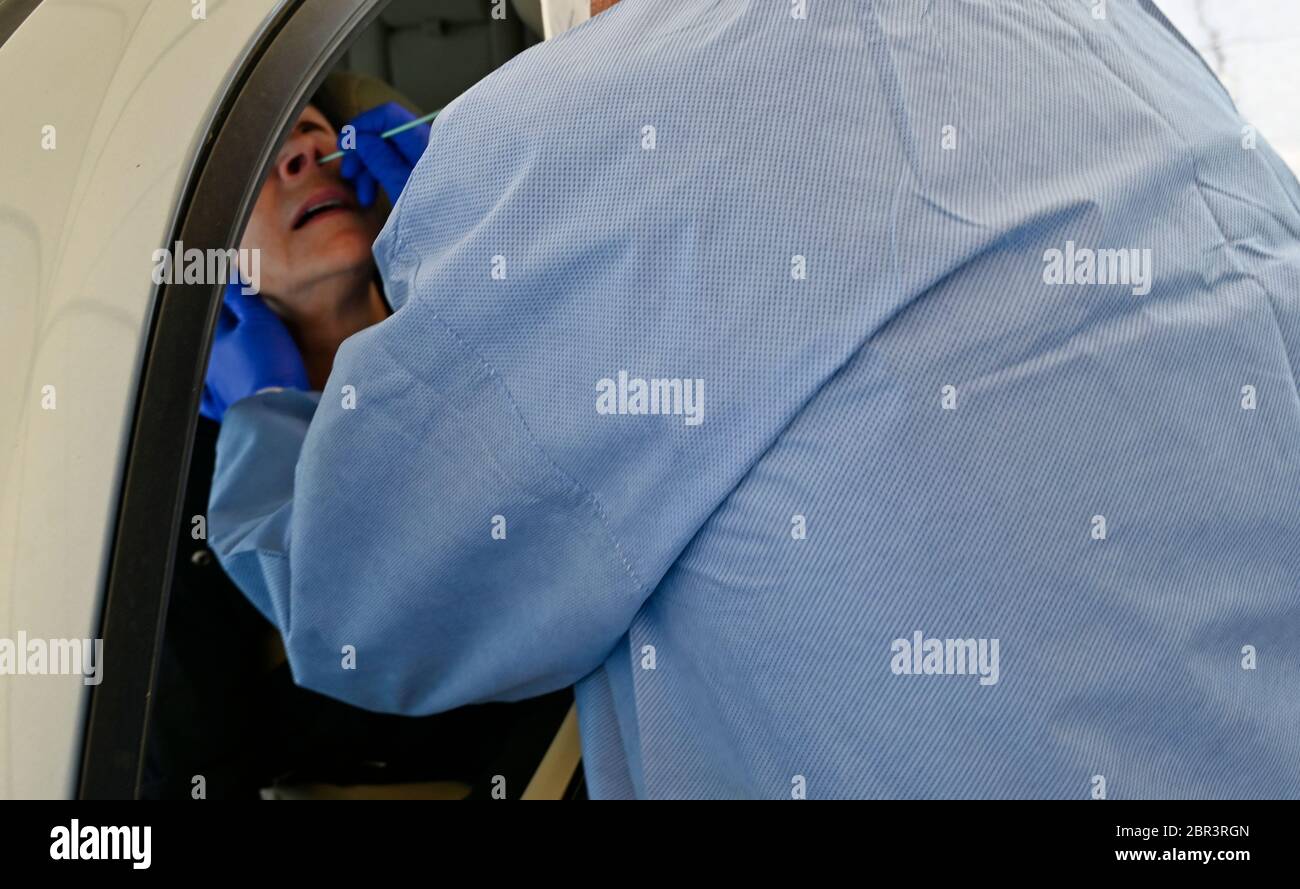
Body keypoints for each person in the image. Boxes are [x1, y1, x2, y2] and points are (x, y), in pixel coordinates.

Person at [209, 0, 1300, 798]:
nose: (309, 146)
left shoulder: (583, 143)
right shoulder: (1093, 22)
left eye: (316, 124)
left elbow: (367, 607)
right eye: (272, 151)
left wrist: (263, 415)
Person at [144, 73, 571, 799]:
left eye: (312, 127)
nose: (305, 151)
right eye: (256, 154)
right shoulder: (184, 499)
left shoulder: (516, 344)